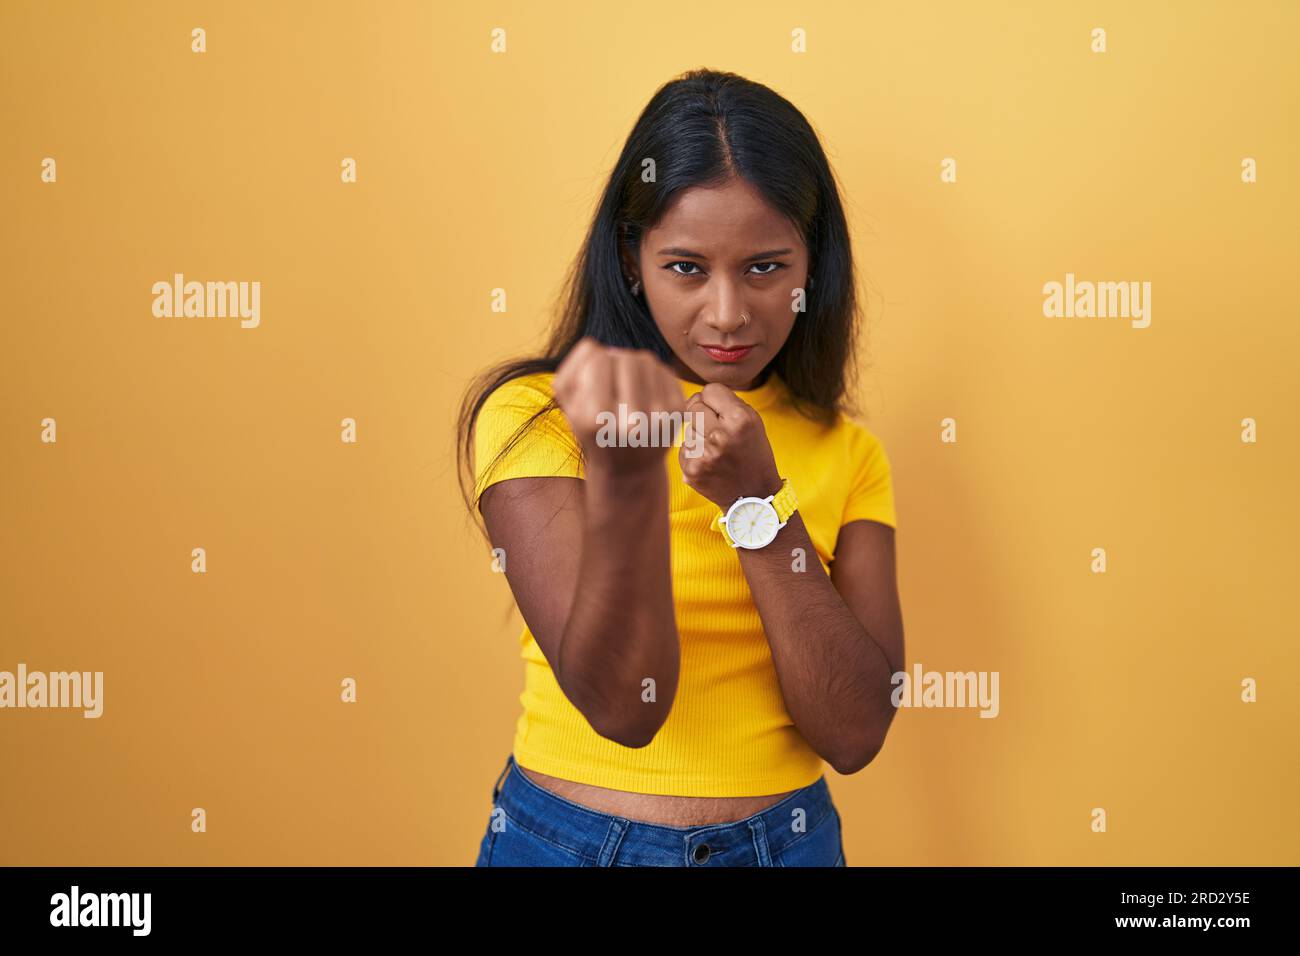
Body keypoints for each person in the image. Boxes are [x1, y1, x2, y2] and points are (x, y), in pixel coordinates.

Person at [456, 68, 903, 867]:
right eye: (686, 268)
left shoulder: (848, 450)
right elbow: (626, 707)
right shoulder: (542, 415)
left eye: (765, 267)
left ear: (812, 266)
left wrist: (758, 505)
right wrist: (626, 476)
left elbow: (857, 730)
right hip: (570, 846)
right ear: (633, 261)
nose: (728, 313)